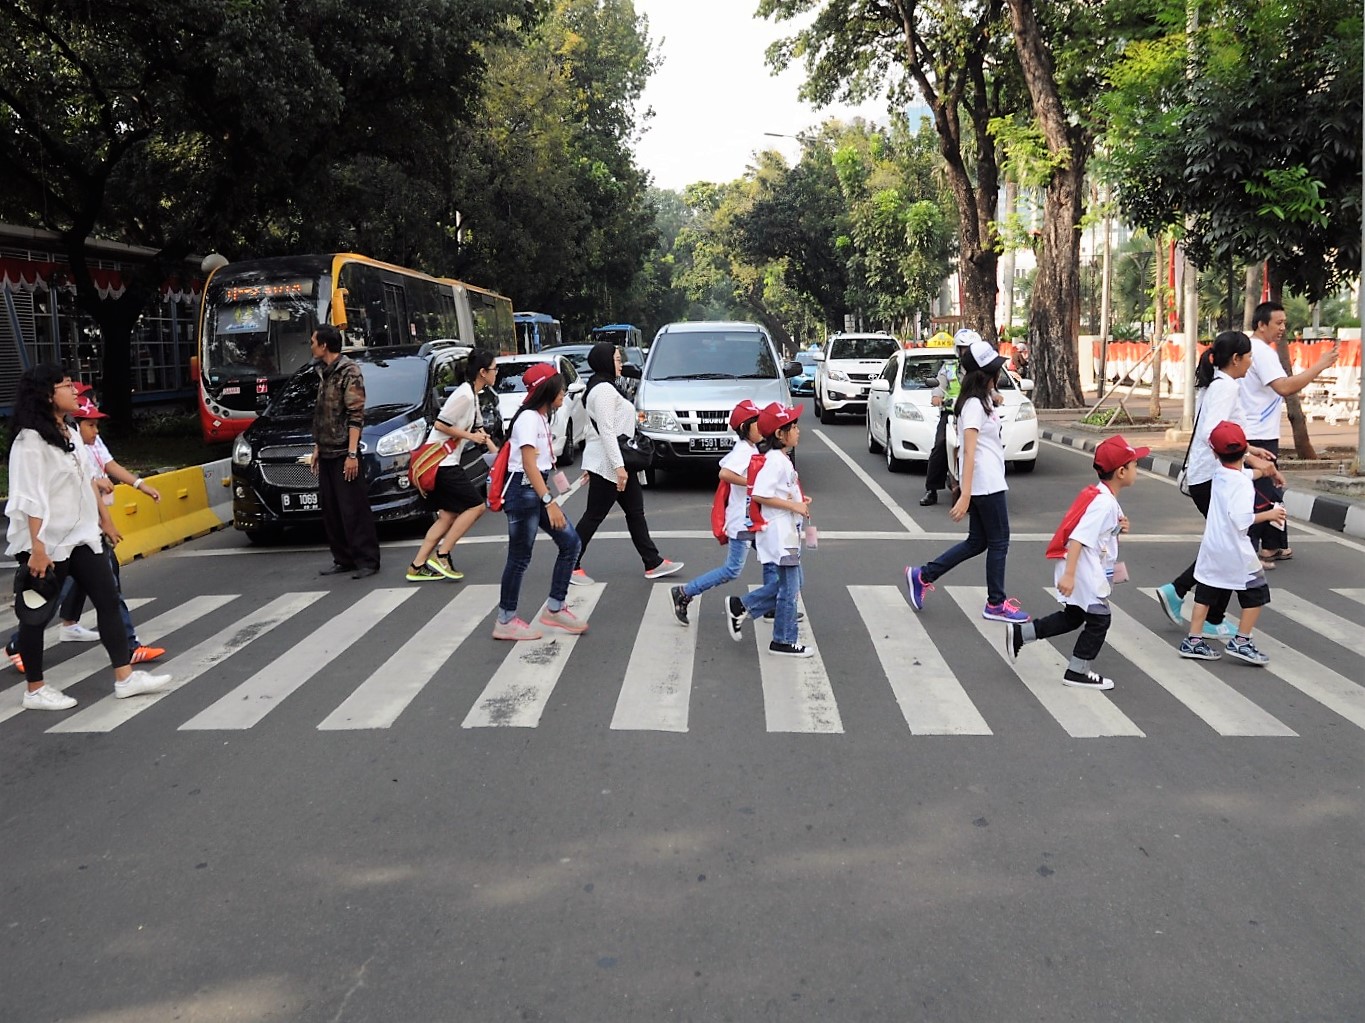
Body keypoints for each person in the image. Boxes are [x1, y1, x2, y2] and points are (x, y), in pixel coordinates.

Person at [4, 365, 171, 711]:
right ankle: (35, 689)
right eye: (66, 386)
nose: (74, 393)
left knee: (108, 600)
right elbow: (28, 496)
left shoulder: (69, 432)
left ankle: (125, 677)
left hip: (82, 536)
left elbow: (87, 480)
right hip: (47, 543)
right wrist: (36, 547)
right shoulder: (30, 440)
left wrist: (104, 521)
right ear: (48, 394)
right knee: (35, 616)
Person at [1154, 331, 1283, 636]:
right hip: (1213, 476)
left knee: (1228, 541)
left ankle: (1191, 601)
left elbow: (1225, 432)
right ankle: (1203, 612)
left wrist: (1251, 450)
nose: (1251, 363)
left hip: (1211, 475)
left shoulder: (1223, 385)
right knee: (1231, 542)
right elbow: (1213, 433)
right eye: (1249, 357)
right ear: (1235, 359)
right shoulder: (1225, 387)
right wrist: (1251, 461)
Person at [903, 338, 1030, 624]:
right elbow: (968, 450)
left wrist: (994, 397)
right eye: (995, 370)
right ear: (984, 375)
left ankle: (922, 575)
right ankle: (995, 603)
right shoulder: (973, 405)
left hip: (990, 479)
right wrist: (965, 493)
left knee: (977, 542)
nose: (999, 374)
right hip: (985, 483)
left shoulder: (982, 400)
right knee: (999, 542)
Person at [1006, 435, 1146, 690]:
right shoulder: (1104, 502)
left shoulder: (1102, 496)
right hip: (1082, 568)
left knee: (1074, 616)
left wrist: (1117, 528)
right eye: (1135, 464)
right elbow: (1078, 538)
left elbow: (1095, 532)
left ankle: (1021, 634)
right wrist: (1069, 576)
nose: (1137, 469)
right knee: (1100, 619)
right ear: (1122, 471)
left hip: (1084, 565)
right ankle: (1077, 671)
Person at [50, 394, 166, 663]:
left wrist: (140, 485)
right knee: (92, 587)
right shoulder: (53, 440)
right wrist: (107, 522)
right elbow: (81, 484)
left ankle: (116, 647)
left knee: (91, 584)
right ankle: (20, 644)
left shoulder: (82, 439)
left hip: (88, 530)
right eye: (91, 425)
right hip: (71, 529)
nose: (96, 431)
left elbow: (104, 470)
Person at [569, 343, 682, 585]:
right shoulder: (604, 391)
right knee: (594, 515)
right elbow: (607, 431)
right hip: (611, 464)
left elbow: (598, 430)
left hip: (616, 462)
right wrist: (618, 467)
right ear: (605, 362)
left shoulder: (601, 387)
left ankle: (652, 562)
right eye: (617, 360)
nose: (621, 364)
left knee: (635, 512)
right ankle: (569, 564)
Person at [1239, 301, 1339, 566]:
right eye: (1278, 323)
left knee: (1270, 489)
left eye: (1284, 322)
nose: (1283, 328)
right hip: (1257, 433)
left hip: (1256, 430)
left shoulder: (1253, 349)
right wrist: (1319, 366)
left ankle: (1274, 545)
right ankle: (1249, 552)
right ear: (1261, 324)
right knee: (1261, 494)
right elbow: (1284, 387)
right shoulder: (1261, 351)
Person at [1176, 421, 1283, 665]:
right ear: (1246, 448)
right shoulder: (1243, 484)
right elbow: (1242, 520)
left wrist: (1264, 472)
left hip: (1212, 547)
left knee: (1205, 592)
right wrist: (1270, 515)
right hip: (1235, 549)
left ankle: (1193, 640)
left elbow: (1243, 473)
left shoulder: (1219, 473)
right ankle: (1242, 641)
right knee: (1257, 593)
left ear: (1215, 453)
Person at [493, 363, 586, 640]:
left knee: (571, 543)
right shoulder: (529, 419)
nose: (564, 391)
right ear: (547, 389)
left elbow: (544, 465)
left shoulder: (540, 418)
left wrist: (569, 485)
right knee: (520, 558)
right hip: (523, 493)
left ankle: (555, 608)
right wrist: (549, 501)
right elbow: (528, 466)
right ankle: (505, 619)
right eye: (560, 386)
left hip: (534, 488)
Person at [725, 402, 811, 656]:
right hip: (779, 531)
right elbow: (761, 494)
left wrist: (797, 501)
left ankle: (743, 606)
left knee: (791, 583)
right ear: (779, 434)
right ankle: (783, 639)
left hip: (785, 529)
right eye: (792, 427)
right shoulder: (775, 461)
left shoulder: (781, 459)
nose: (797, 431)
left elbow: (776, 491)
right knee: (790, 587)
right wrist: (793, 506)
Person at [405, 349, 500, 581]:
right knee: (477, 506)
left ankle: (416, 567)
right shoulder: (465, 396)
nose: (497, 373)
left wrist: (500, 456)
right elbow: (440, 425)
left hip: (446, 462)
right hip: (442, 463)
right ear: (483, 372)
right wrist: (470, 438)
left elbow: (480, 431)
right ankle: (443, 554)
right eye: (494, 369)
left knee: (447, 516)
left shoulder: (474, 396)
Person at [670, 399, 762, 625]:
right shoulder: (744, 450)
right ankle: (685, 592)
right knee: (732, 570)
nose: (762, 427)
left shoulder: (751, 447)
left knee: (772, 561)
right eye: (757, 423)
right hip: (742, 521)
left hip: (754, 519)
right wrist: (751, 483)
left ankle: (772, 605)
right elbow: (725, 473)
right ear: (745, 428)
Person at [310, 325, 380, 579]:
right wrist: (317, 447)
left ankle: (367, 560)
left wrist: (352, 455)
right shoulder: (324, 372)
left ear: (324, 345)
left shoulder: (349, 371)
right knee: (332, 509)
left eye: (313, 342)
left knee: (353, 509)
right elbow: (324, 415)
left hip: (343, 452)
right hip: (327, 450)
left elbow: (355, 415)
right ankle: (343, 558)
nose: (311, 346)